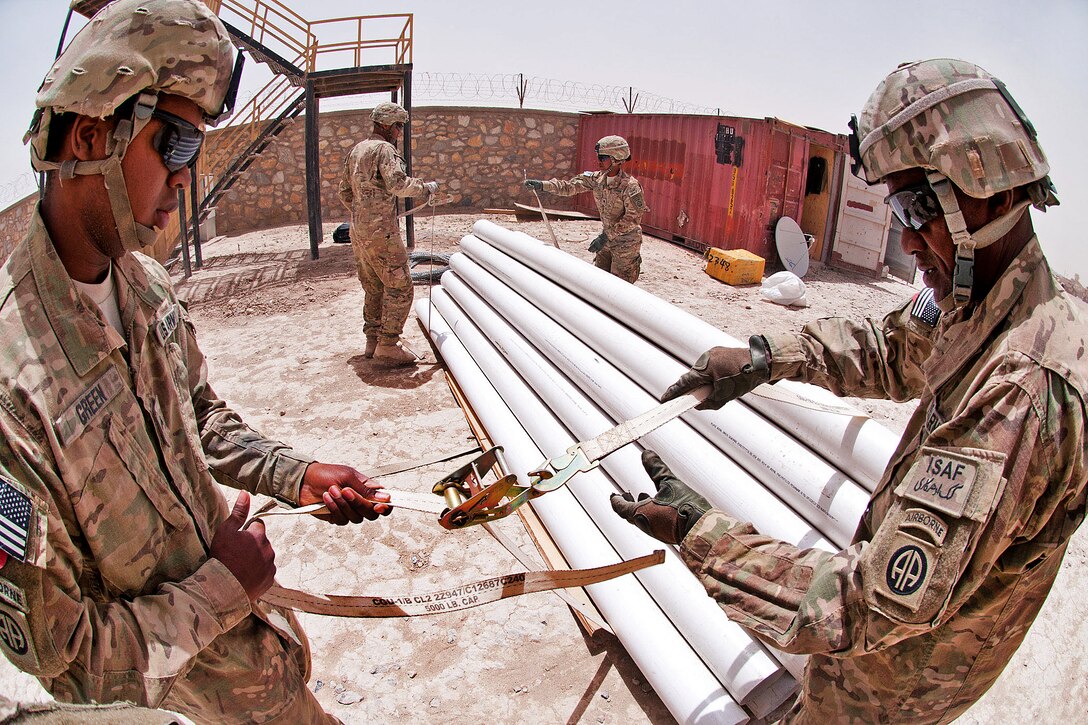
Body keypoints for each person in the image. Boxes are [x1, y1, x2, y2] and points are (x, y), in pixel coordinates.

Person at [611, 58, 1086, 724]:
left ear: (995, 190)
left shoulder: (1026, 389)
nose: (904, 236)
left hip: (893, 692)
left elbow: (868, 603)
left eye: (915, 207)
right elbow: (891, 351)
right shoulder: (975, 297)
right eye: (897, 208)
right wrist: (766, 355)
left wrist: (700, 532)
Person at [0, 1, 392, 722]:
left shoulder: (144, 284)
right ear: (91, 134)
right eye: (175, 144)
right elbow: (64, 659)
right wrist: (222, 588)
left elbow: (199, 416)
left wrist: (294, 473)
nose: (187, 177)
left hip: (261, 671)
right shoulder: (11, 389)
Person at [338, 102, 439, 365]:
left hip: (359, 231)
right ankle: (388, 346)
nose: (399, 131)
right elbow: (397, 183)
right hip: (381, 231)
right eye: (398, 126)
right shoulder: (384, 149)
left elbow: (344, 192)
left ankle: (372, 342)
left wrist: (364, 212)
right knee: (401, 286)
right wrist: (425, 188)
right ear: (386, 125)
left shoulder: (356, 151)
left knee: (373, 287)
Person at [525, 135, 648, 283]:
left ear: (617, 158)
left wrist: (606, 236)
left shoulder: (630, 186)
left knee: (619, 287)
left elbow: (633, 219)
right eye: (599, 157)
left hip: (625, 244)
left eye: (603, 158)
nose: (599, 161)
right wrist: (542, 185)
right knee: (599, 282)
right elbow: (568, 187)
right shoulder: (596, 179)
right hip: (606, 240)